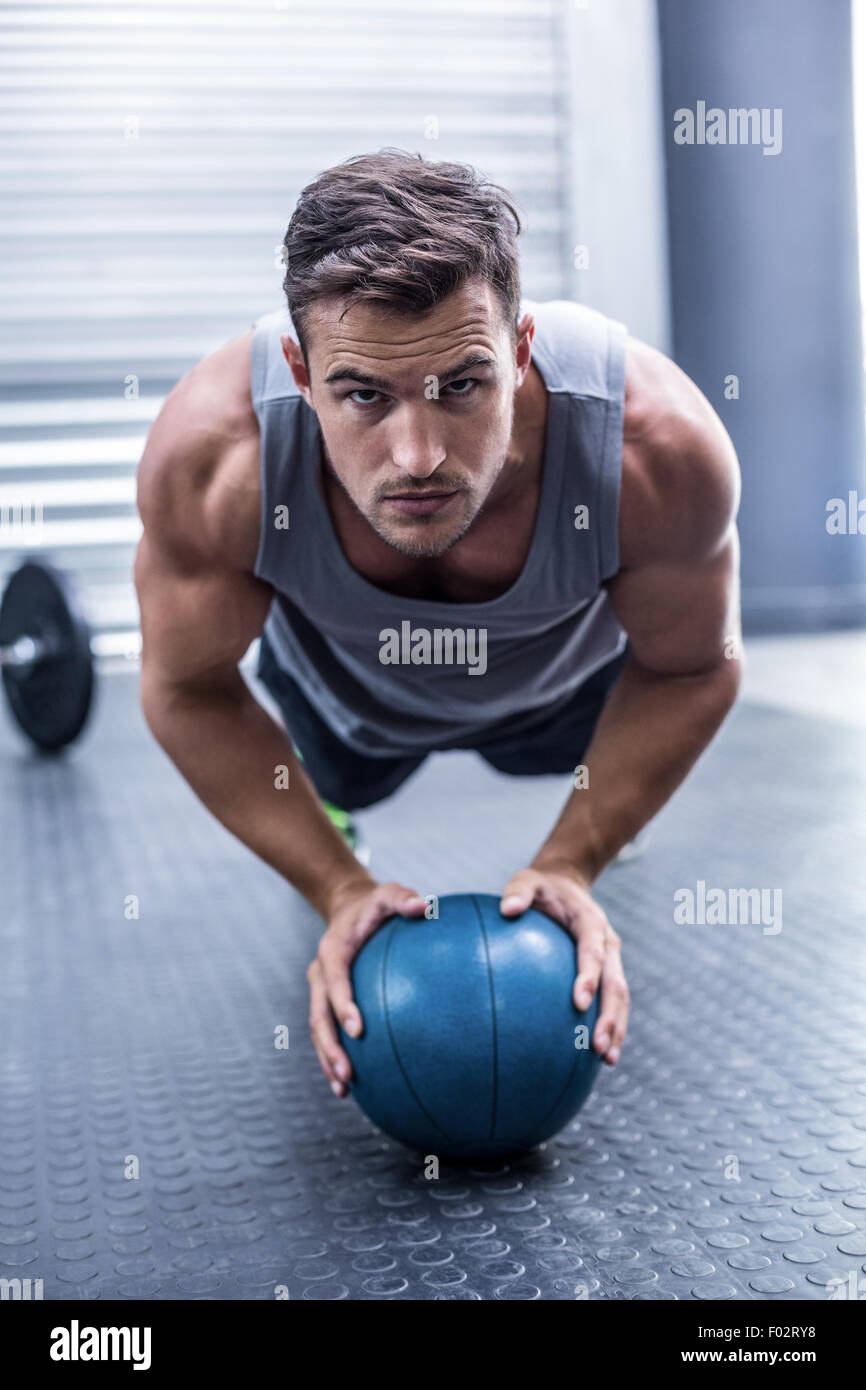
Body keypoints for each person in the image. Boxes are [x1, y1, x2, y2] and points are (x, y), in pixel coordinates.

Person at [135, 150, 742, 1099]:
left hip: (567, 707)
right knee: (328, 777)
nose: (417, 456)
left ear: (523, 347)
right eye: (364, 396)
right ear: (299, 370)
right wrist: (335, 887)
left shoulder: (653, 449)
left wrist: (572, 857)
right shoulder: (220, 461)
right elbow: (186, 687)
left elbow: (693, 667)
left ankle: (598, 817)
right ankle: (334, 815)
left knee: (606, 783)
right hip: (345, 715)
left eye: (462, 385)